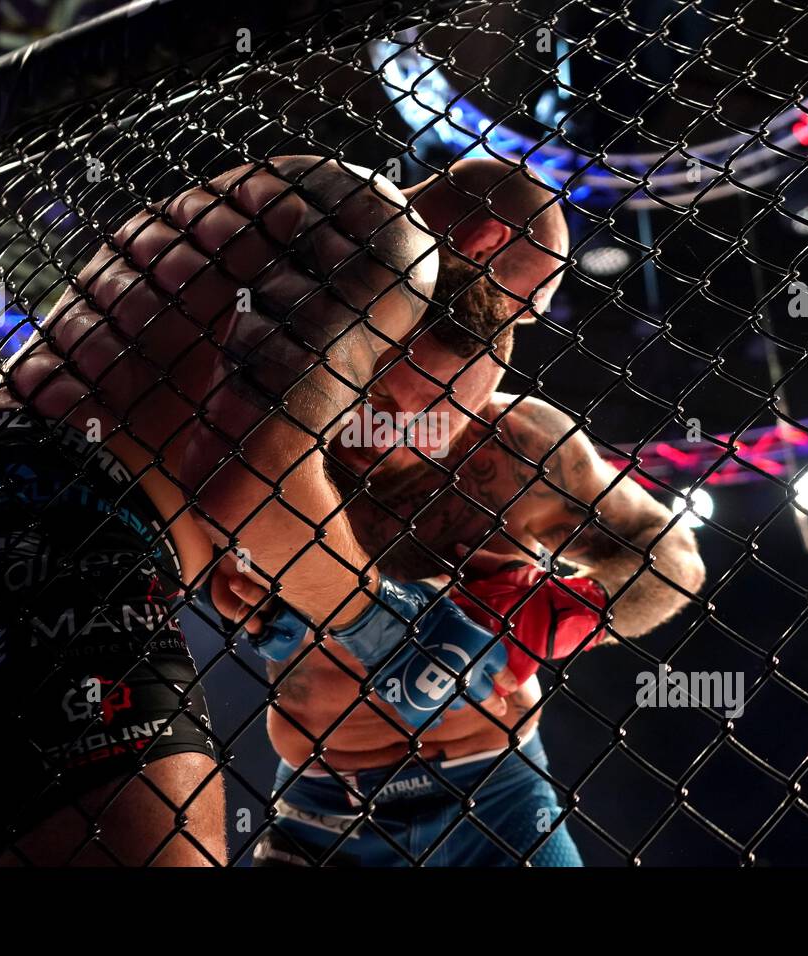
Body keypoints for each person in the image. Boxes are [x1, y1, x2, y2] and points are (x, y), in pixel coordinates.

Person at [0, 155, 511, 865]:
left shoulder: (248, 210)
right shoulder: (388, 240)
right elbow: (247, 481)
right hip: (77, 560)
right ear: (491, 245)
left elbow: (206, 446)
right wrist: (377, 621)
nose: (390, 436)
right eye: (402, 409)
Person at [204, 159, 707, 866]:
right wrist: (222, 578)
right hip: (328, 800)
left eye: (444, 408)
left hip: (500, 792)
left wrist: (572, 615)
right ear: (358, 358)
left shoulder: (522, 443)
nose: (408, 426)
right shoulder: (274, 442)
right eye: (387, 402)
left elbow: (671, 553)